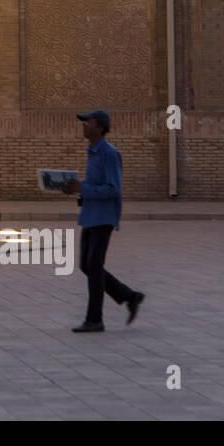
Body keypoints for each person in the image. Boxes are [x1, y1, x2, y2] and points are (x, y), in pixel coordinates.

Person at [63, 110, 144, 332]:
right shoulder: (93, 152)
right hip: (90, 216)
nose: (84, 126)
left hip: (103, 218)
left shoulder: (109, 154)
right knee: (86, 266)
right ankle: (129, 296)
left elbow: (113, 189)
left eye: (88, 123)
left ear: (99, 128)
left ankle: (95, 319)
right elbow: (94, 186)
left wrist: (84, 188)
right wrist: (79, 192)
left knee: (94, 267)